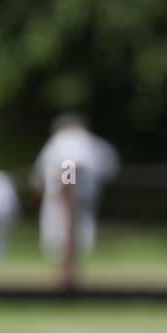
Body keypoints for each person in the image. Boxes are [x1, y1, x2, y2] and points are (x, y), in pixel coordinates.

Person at [32, 113, 119, 266]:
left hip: (63, 192)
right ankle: (69, 261)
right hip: (80, 194)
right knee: (75, 229)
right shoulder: (93, 142)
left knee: (61, 229)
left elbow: (68, 163)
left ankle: (67, 262)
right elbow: (109, 169)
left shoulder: (61, 140)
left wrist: (67, 188)